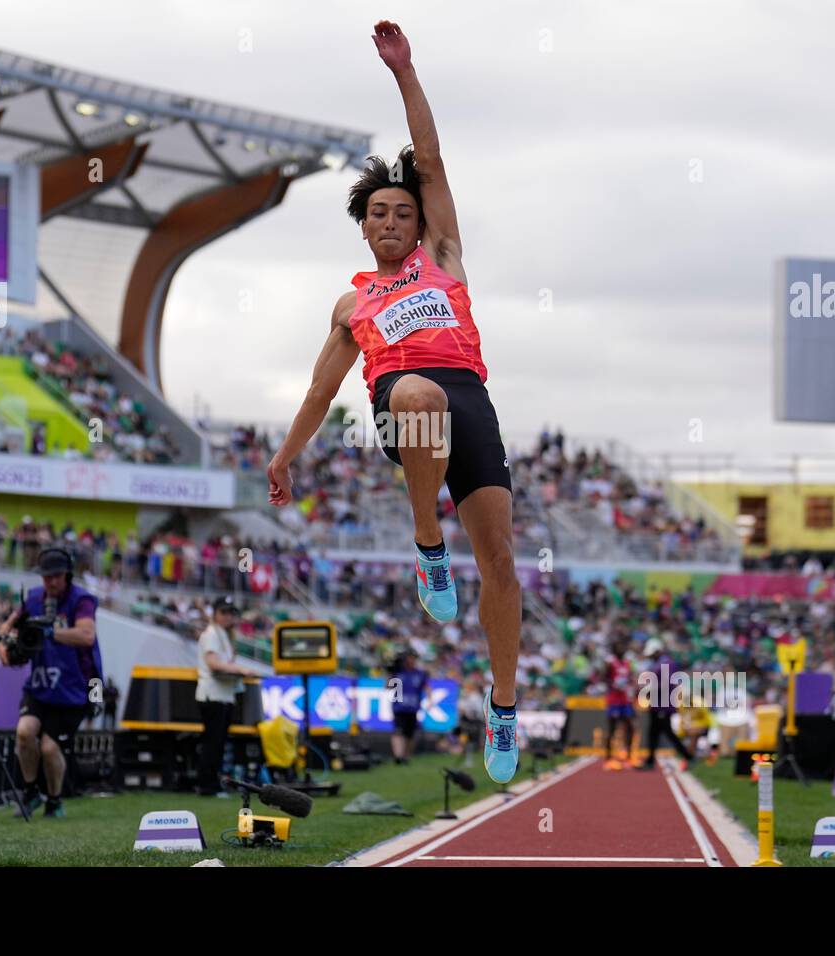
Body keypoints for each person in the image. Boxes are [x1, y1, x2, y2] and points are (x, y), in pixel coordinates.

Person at [266, 20, 521, 783]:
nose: (389, 221)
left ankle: (503, 705)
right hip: (403, 402)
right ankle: (426, 547)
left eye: (401, 212)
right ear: (363, 222)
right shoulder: (353, 302)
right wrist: (284, 457)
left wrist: (405, 74)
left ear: (418, 225)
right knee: (415, 392)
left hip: (469, 400)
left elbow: (432, 162)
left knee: (504, 566)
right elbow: (320, 389)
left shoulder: (443, 258)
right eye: (378, 212)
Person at [0, 547, 103, 819]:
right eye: (46, 577)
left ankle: (54, 801)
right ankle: (31, 792)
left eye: (57, 576)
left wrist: (50, 633)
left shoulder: (82, 600)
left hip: (77, 688)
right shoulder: (32, 599)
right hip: (41, 684)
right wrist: (5, 648)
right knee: (24, 732)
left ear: (67, 575)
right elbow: (5, 629)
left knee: (48, 747)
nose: (52, 582)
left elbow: (87, 635)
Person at [195, 597, 257, 796]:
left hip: (223, 694)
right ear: (216, 613)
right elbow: (213, 663)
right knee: (213, 743)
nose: (228, 616)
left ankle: (211, 782)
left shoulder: (223, 635)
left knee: (218, 743)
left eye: (231, 613)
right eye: (224, 612)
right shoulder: (212, 633)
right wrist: (240, 669)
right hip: (213, 694)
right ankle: (207, 785)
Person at [635, 639, 693, 770]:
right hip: (658, 703)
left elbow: (667, 683)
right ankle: (650, 761)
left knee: (666, 733)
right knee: (654, 733)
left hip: (663, 704)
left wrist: (649, 688)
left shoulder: (667, 663)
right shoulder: (659, 663)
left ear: (658, 651)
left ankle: (688, 756)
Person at [389, 650, 429, 765]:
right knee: (398, 731)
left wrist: (430, 699)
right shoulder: (398, 673)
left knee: (410, 734)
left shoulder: (419, 674)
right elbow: (388, 686)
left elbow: (426, 687)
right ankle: (398, 756)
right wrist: (392, 672)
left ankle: (406, 756)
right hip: (399, 707)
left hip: (412, 708)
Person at [604, 643, 635, 768]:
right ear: (615, 650)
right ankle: (608, 757)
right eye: (619, 647)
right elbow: (604, 677)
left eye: (623, 647)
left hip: (625, 700)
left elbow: (630, 677)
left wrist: (629, 682)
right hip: (614, 700)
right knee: (612, 728)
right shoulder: (610, 663)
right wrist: (613, 684)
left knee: (630, 727)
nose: (622, 649)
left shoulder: (627, 663)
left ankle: (628, 756)